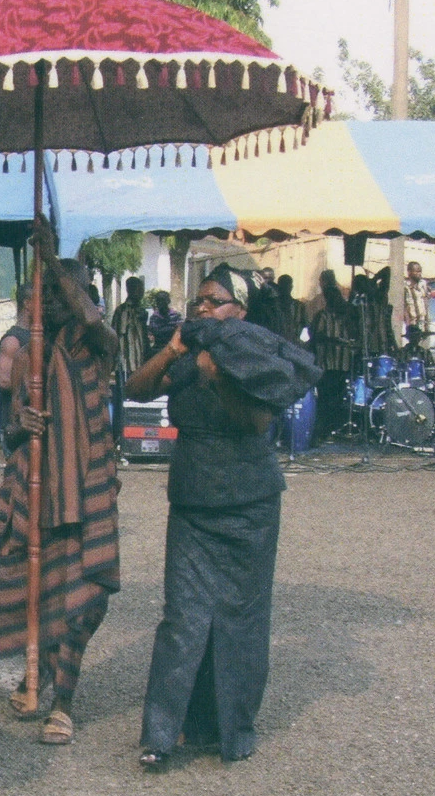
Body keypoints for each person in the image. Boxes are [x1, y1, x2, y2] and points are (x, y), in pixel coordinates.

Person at [125, 264, 321, 769]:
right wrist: (172, 350)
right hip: (193, 499)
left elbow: (257, 421)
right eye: (200, 302)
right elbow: (138, 388)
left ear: (242, 310)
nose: (204, 309)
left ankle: (232, 731)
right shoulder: (186, 350)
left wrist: (218, 380)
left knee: (241, 618)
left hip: (248, 502)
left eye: (215, 301)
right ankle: (163, 736)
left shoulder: (255, 355)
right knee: (182, 618)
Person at [0, 245, 120, 745]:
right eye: (48, 296)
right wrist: (21, 427)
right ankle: (37, 671)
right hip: (35, 489)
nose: (58, 305)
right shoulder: (27, 353)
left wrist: (49, 253)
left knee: (83, 596)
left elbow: (91, 318)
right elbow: (8, 435)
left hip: (85, 488)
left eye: (68, 294)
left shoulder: (96, 343)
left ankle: (63, 702)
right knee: (33, 585)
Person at [308, 270, 357, 442]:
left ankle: (332, 431)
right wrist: (335, 340)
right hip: (326, 363)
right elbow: (315, 336)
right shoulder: (322, 316)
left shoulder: (346, 318)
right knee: (324, 400)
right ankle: (319, 433)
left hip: (342, 364)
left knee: (337, 400)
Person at [108, 276, 151, 445]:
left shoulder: (140, 311)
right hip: (125, 364)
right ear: (131, 290)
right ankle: (120, 438)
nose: (140, 292)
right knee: (123, 403)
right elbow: (118, 336)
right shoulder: (123, 311)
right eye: (138, 289)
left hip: (138, 363)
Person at [359, 272, 397, 359]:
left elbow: (387, 271)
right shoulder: (360, 303)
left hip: (382, 344)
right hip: (366, 347)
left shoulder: (380, 299)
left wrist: (374, 279)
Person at [402, 261, 431, 341]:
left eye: (420, 271)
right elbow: (404, 307)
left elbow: (426, 304)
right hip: (412, 324)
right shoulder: (405, 287)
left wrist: (427, 324)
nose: (419, 274)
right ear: (409, 272)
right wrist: (408, 324)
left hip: (422, 323)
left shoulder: (422, 285)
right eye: (417, 271)